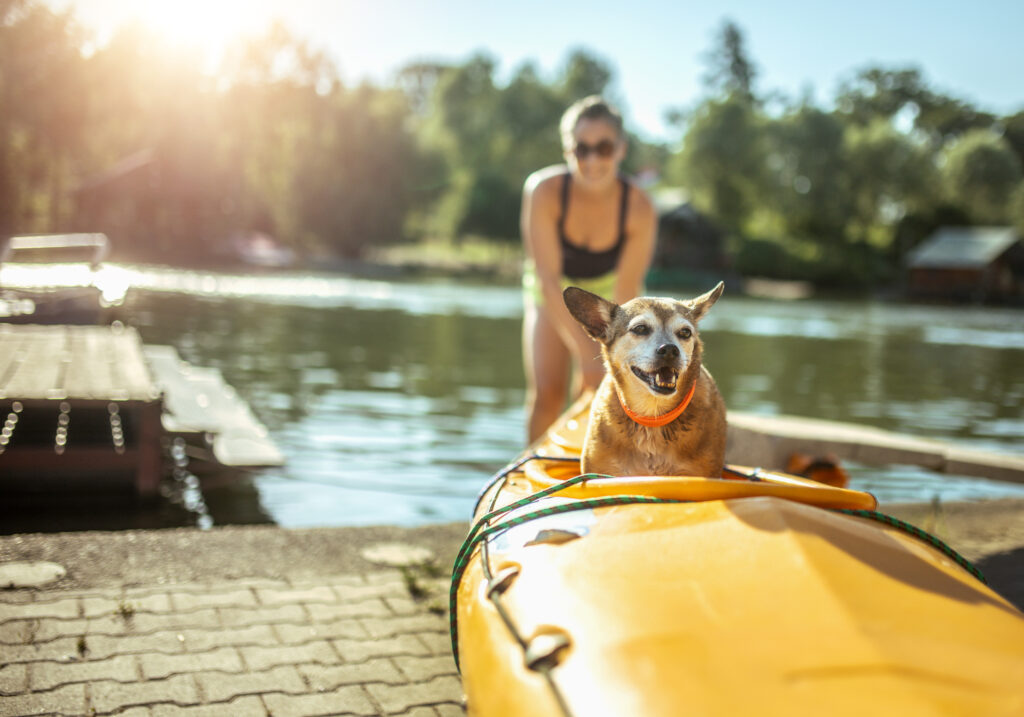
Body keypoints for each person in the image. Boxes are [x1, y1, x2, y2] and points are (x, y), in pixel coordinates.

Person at [521, 95, 657, 443]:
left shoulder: (640, 208)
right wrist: (583, 353)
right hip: (551, 289)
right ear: (568, 151)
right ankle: (532, 469)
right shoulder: (544, 192)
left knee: (597, 387)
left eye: (604, 148)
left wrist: (600, 355)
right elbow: (548, 278)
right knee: (547, 391)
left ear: (621, 149)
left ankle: (591, 469)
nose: (593, 159)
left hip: (609, 297)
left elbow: (626, 290)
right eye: (582, 149)